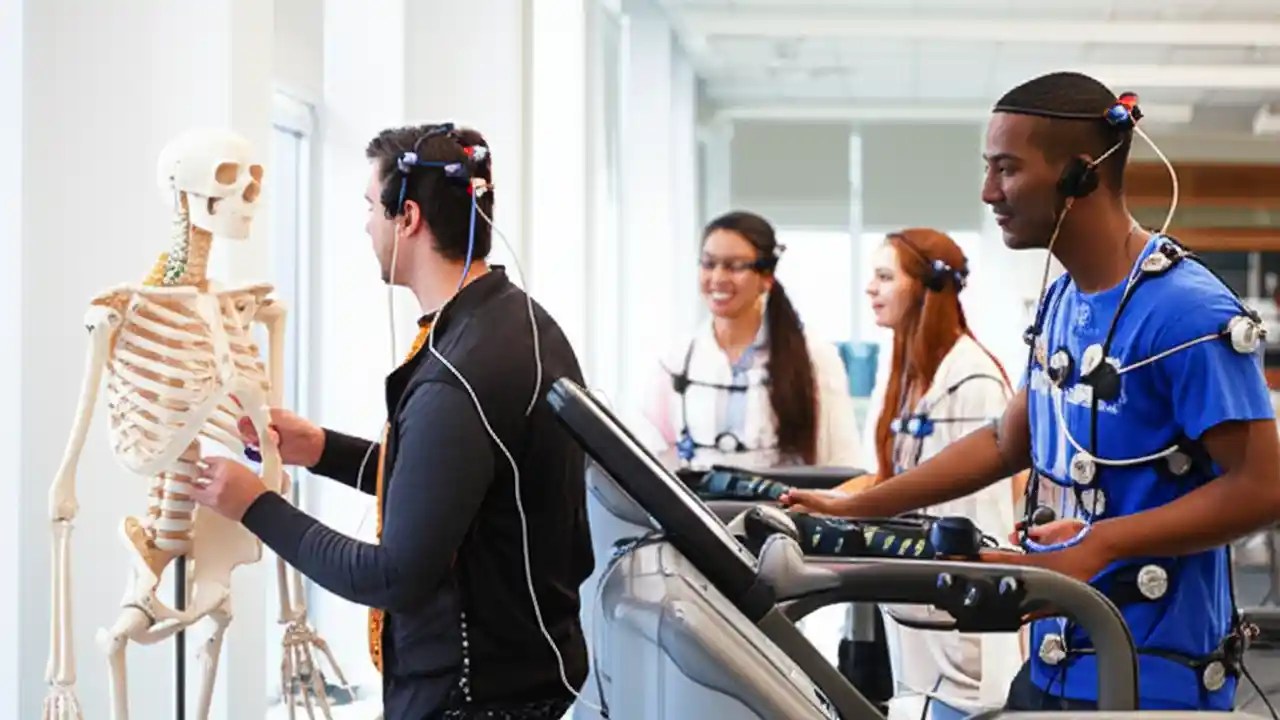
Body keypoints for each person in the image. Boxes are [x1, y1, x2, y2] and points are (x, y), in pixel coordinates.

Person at [781, 70, 1280, 712]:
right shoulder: (1063, 298)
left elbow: (1263, 487)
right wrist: (858, 506)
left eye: (1006, 169)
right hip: (1054, 661)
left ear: (1079, 173)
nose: (988, 191)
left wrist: (1105, 542)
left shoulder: (1186, 313)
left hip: (1151, 679)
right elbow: (1003, 441)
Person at [187, 122, 594, 719]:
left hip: (474, 703)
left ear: (407, 218)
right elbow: (454, 494)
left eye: (370, 208)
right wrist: (324, 448)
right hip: (529, 679)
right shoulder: (516, 324)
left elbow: (394, 576)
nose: (366, 227)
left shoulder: (457, 378)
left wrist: (256, 506)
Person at [854, 228, 1024, 719]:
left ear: (925, 287)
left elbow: (981, 524)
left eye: (885, 277)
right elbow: (886, 479)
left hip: (961, 637)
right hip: (919, 627)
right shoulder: (909, 376)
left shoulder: (974, 382)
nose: (871, 288)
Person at [638, 210, 861, 472]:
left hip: (782, 510)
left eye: (734, 266)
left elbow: (842, 463)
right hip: (694, 510)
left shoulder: (814, 356)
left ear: (766, 277)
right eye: (709, 264)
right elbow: (652, 456)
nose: (718, 278)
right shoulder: (675, 360)